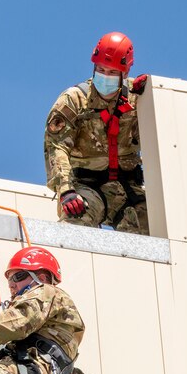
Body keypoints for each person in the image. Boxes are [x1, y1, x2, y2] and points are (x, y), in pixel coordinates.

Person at [44, 32, 150, 234]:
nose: (105, 76)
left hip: (127, 188)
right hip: (85, 186)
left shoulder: (137, 97)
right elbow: (56, 146)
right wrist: (65, 189)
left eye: (112, 72)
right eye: (100, 69)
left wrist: (151, 94)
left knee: (154, 226)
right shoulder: (74, 100)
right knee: (75, 221)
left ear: (125, 72)